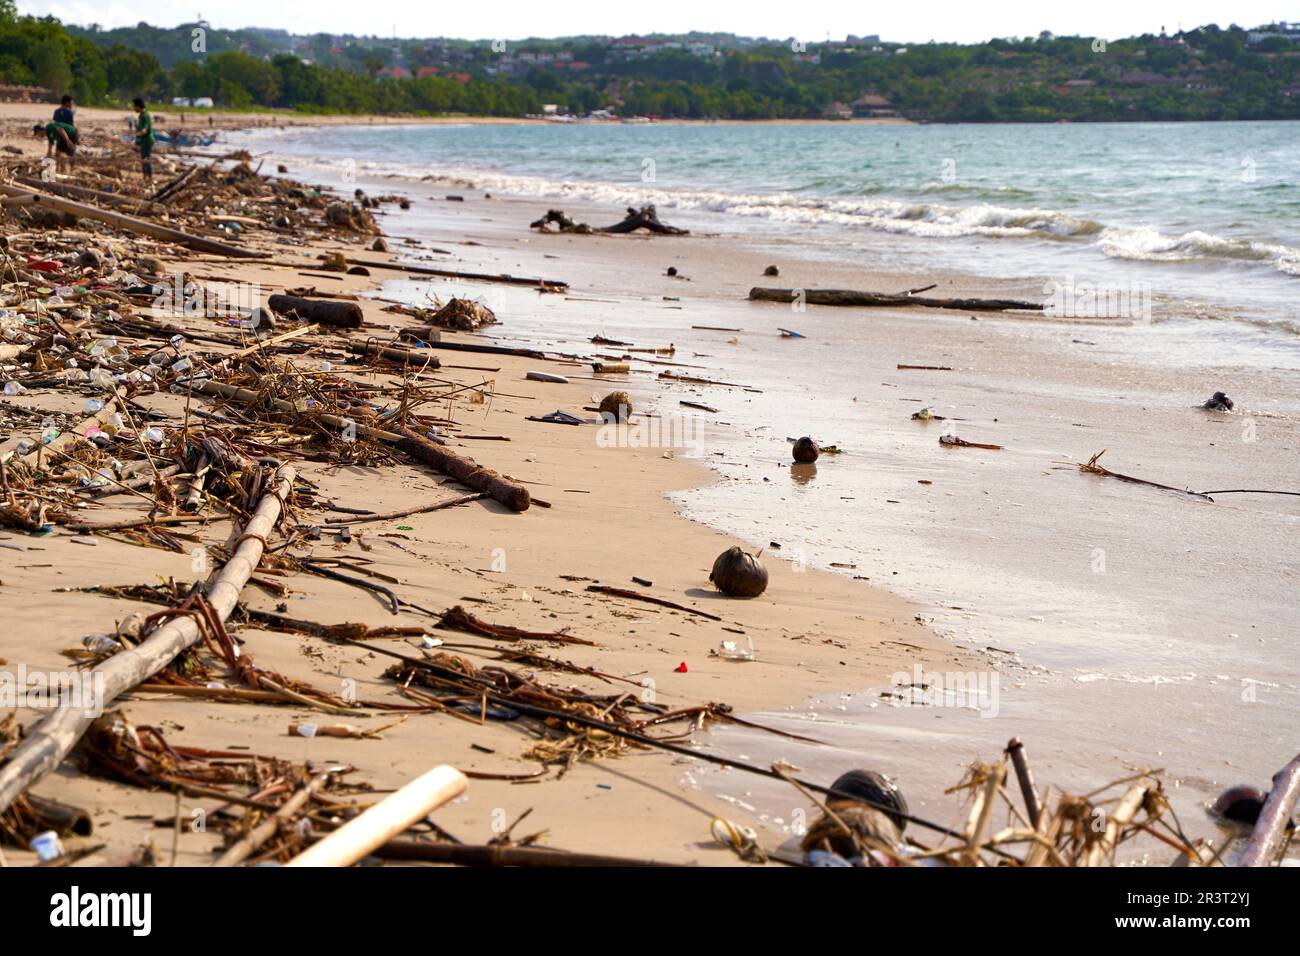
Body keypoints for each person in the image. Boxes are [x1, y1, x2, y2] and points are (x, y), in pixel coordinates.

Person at [132, 98, 155, 184]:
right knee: (143, 160)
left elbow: (145, 129)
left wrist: (138, 134)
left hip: (147, 141)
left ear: (138, 106)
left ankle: (149, 178)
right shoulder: (141, 116)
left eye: (134, 106)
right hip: (143, 141)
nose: (133, 108)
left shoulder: (145, 115)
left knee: (146, 160)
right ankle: (145, 177)